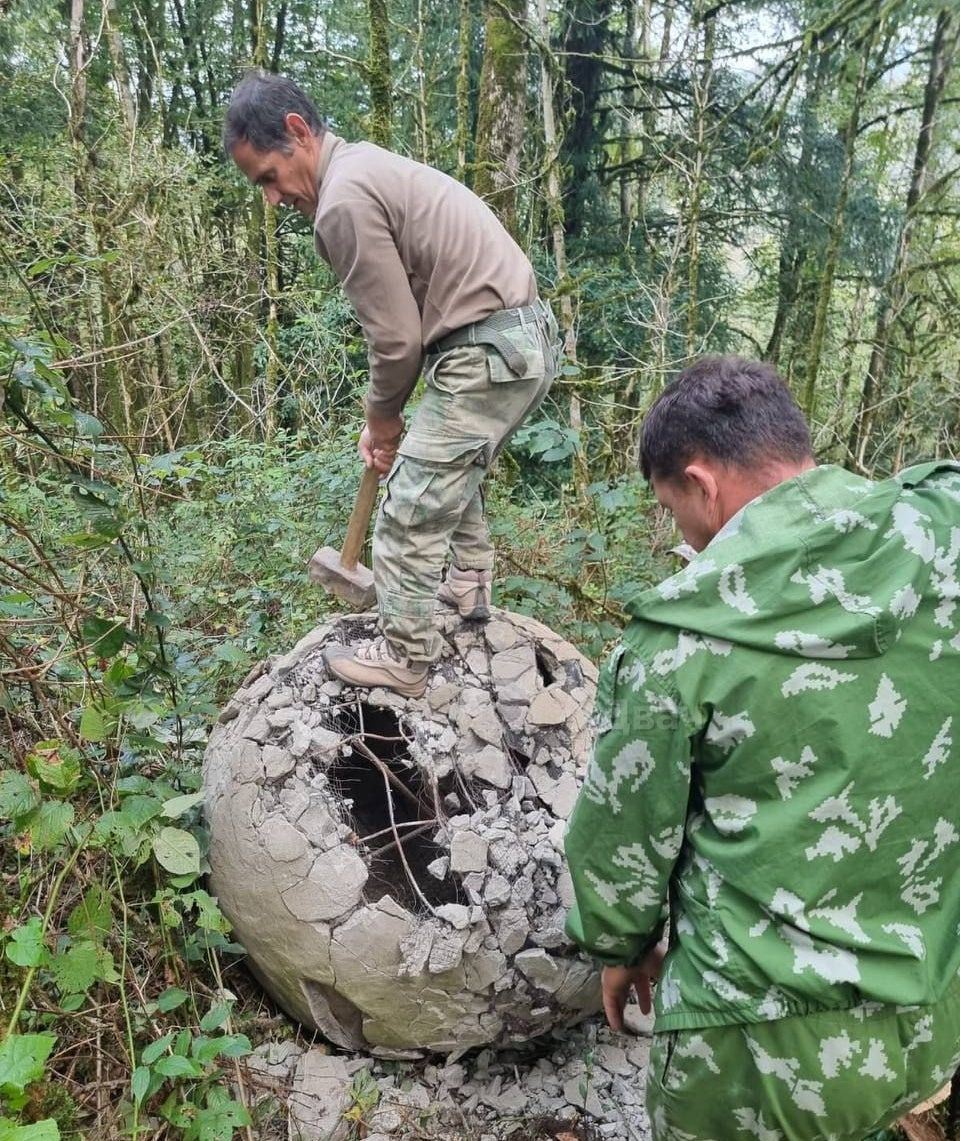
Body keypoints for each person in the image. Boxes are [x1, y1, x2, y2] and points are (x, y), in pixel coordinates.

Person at [564, 355, 960, 1139]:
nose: (682, 533)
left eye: (673, 507)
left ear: (702, 483)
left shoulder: (681, 640)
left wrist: (619, 945)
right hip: (926, 1021)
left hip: (751, 1052)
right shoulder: (943, 533)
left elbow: (623, 842)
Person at [223, 71, 559, 697]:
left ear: (297, 132)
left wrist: (383, 419)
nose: (270, 199)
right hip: (524, 340)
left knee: (408, 503)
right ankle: (469, 587)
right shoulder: (366, 167)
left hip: (485, 348)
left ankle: (407, 659)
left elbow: (396, 339)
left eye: (267, 177)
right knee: (449, 466)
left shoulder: (342, 202)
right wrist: (389, 413)